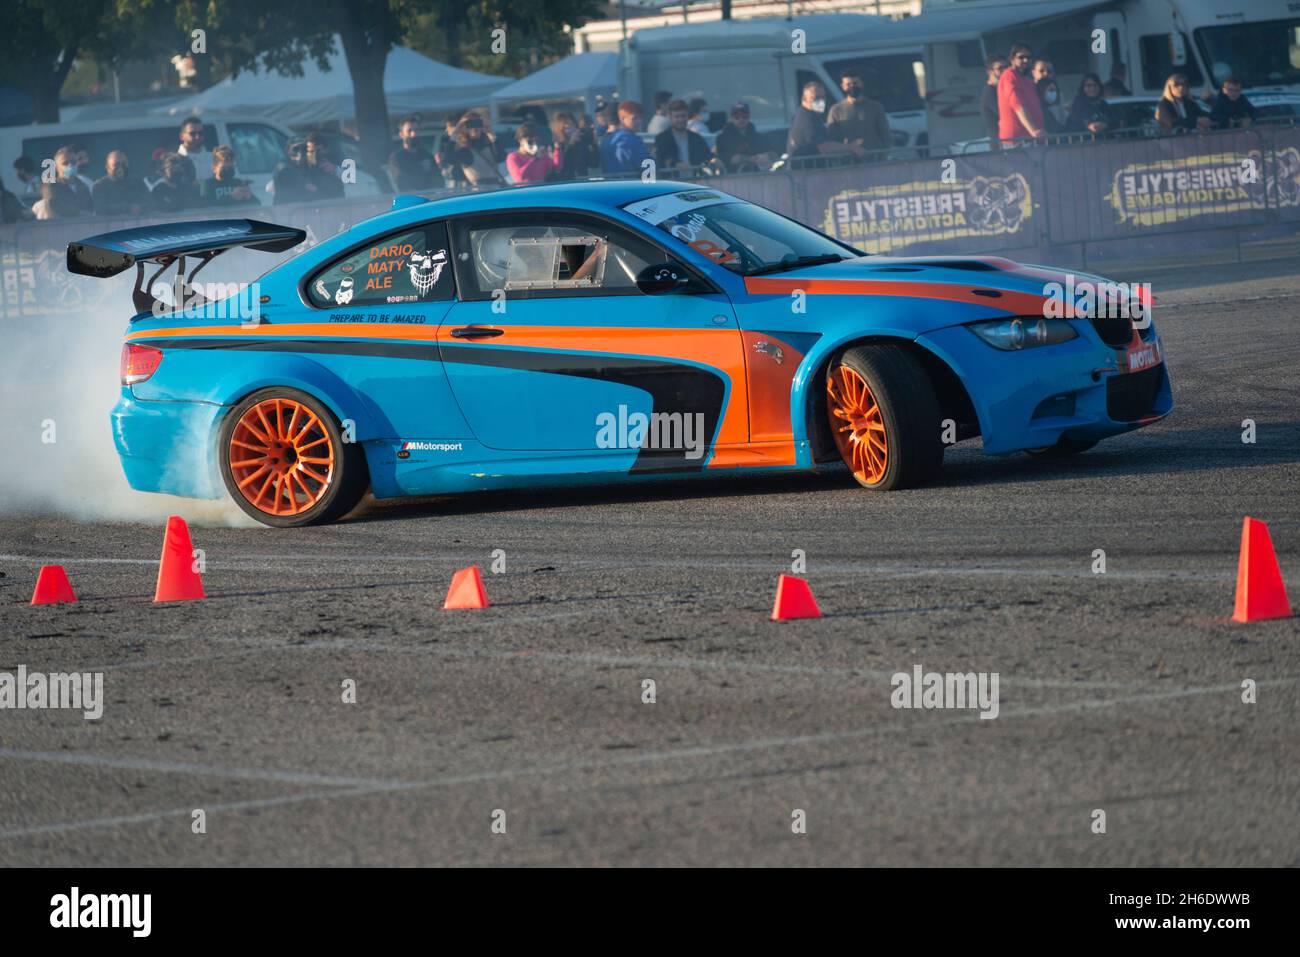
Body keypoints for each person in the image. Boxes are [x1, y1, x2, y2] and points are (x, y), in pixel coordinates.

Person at [787, 81, 866, 162]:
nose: (821, 100)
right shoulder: (807, 118)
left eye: (823, 97)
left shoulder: (806, 114)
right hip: (808, 171)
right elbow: (824, 146)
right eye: (816, 97)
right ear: (804, 99)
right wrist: (851, 147)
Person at [826, 73, 891, 155]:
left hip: (874, 159)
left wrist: (884, 154)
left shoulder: (875, 107)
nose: (852, 87)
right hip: (847, 161)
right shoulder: (836, 110)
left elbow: (885, 134)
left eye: (855, 83)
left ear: (862, 84)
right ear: (843, 86)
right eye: (848, 84)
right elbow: (832, 139)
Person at [997, 44, 1047, 144]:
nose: (1025, 60)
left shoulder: (1026, 79)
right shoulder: (1009, 77)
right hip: (1017, 142)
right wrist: (1034, 131)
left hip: (1029, 139)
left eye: (1028, 57)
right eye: (1021, 57)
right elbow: (1019, 107)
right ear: (1012, 59)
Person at [654, 99, 713, 174]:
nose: (680, 120)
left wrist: (714, 160)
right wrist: (675, 164)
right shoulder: (662, 138)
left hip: (694, 182)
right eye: (677, 117)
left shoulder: (696, 138)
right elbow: (662, 158)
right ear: (670, 117)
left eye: (683, 116)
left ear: (688, 116)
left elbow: (707, 155)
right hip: (673, 182)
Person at [446, 111, 504, 188]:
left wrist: (490, 132)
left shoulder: (489, 144)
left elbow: (501, 157)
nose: (475, 128)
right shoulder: (465, 150)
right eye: (470, 124)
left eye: (477, 123)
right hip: (478, 192)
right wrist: (456, 132)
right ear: (465, 127)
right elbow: (449, 159)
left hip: (495, 190)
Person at [714, 102, 773, 172]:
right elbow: (729, 159)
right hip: (732, 178)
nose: (741, 119)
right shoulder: (722, 138)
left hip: (760, 177)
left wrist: (766, 157)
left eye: (745, 117)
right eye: (737, 117)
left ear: (749, 117)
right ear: (731, 118)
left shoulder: (758, 137)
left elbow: (771, 154)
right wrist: (750, 159)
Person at [92, 150, 152, 216]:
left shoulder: (137, 182)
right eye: (116, 165)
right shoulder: (100, 186)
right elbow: (100, 209)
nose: (120, 168)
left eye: (124, 164)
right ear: (107, 168)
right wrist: (128, 208)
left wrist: (140, 208)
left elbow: (151, 203)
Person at [600, 100, 652, 175]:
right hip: (632, 183)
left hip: (611, 184)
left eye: (640, 117)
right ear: (622, 119)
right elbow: (648, 164)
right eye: (634, 118)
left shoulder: (606, 141)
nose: (639, 121)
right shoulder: (630, 139)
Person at [390, 114, 437, 192]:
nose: (414, 134)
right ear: (401, 134)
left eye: (416, 130)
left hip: (432, 198)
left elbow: (438, 179)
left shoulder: (427, 155)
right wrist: (422, 168)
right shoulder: (396, 158)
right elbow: (401, 183)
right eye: (409, 131)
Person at [550, 111, 596, 180]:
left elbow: (594, 164)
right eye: (567, 127)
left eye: (572, 125)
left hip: (582, 181)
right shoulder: (556, 146)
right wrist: (570, 145)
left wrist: (594, 145)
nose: (571, 129)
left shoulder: (581, 143)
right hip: (565, 183)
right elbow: (560, 166)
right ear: (560, 129)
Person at [50, 146, 93, 215]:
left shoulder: (83, 186)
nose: (70, 165)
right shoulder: (52, 187)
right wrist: (81, 213)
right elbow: (58, 208)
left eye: (73, 162)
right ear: (56, 168)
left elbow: (91, 208)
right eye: (65, 163)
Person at [305, 132, 345, 199]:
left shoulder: (334, 160)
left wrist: (334, 169)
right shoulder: (304, 164)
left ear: (326, 149)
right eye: (312, 151)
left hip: (335, 200)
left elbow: (351, 180)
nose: (315, 154)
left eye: (318, 150)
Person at [272, 139, 312, 204]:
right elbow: (296, 193)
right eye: (296, 149)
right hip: (288, 209)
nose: (300, 152)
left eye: (304, 149)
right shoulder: (285, 170)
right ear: (287, 151)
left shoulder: (304, 166)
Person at [177, 117, 214, 182]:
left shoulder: (214, 158)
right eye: (192, 134)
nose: (197, 137)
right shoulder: (175, 161)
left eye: (200, 133)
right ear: (181, 136)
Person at [980, 55, 1008, 144]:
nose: (1005, 71)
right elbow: (1004, 113)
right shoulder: (989, 92)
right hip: (998, 142)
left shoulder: (1001, 89)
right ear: (989, 71)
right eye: (1000, 68)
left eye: (1006, 67)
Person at [435, 111, 464, 186]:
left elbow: (449, 160)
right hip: (453, 184)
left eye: (447, 127)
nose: (446, 130)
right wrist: (439, 164)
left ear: (455, 127)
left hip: (465, 185)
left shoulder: (466, 144)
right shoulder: (448, 146)